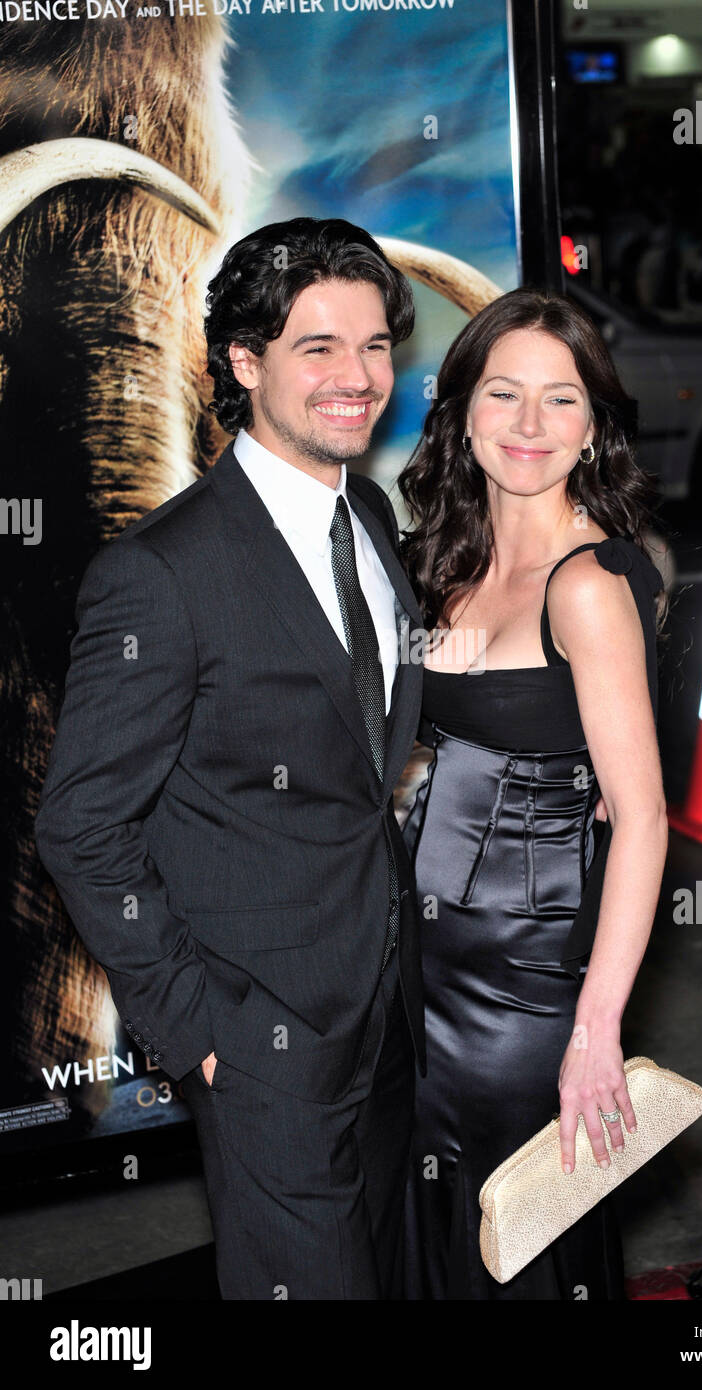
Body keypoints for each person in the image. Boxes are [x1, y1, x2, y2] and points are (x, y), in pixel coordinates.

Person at [34, 217, 427, 1300]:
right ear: (245, 364)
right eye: (318, 347)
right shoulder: (161, 575)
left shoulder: (374, 519)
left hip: (388, 1012)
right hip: (265, 1043)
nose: (357, 378)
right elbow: (80, 822)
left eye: (375, 345)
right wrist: (200, 1026)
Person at [396, 287, 669, 1299]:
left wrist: (595, 1030)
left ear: (593, 423)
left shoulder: (587, 584)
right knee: (436, 1239)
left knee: (517, 1245)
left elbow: (642, 817)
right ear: (461, 409)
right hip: (419, 964)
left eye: (560, 400)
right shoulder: (445, 560)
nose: (528, 425)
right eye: (503, 394)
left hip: (524, 988)